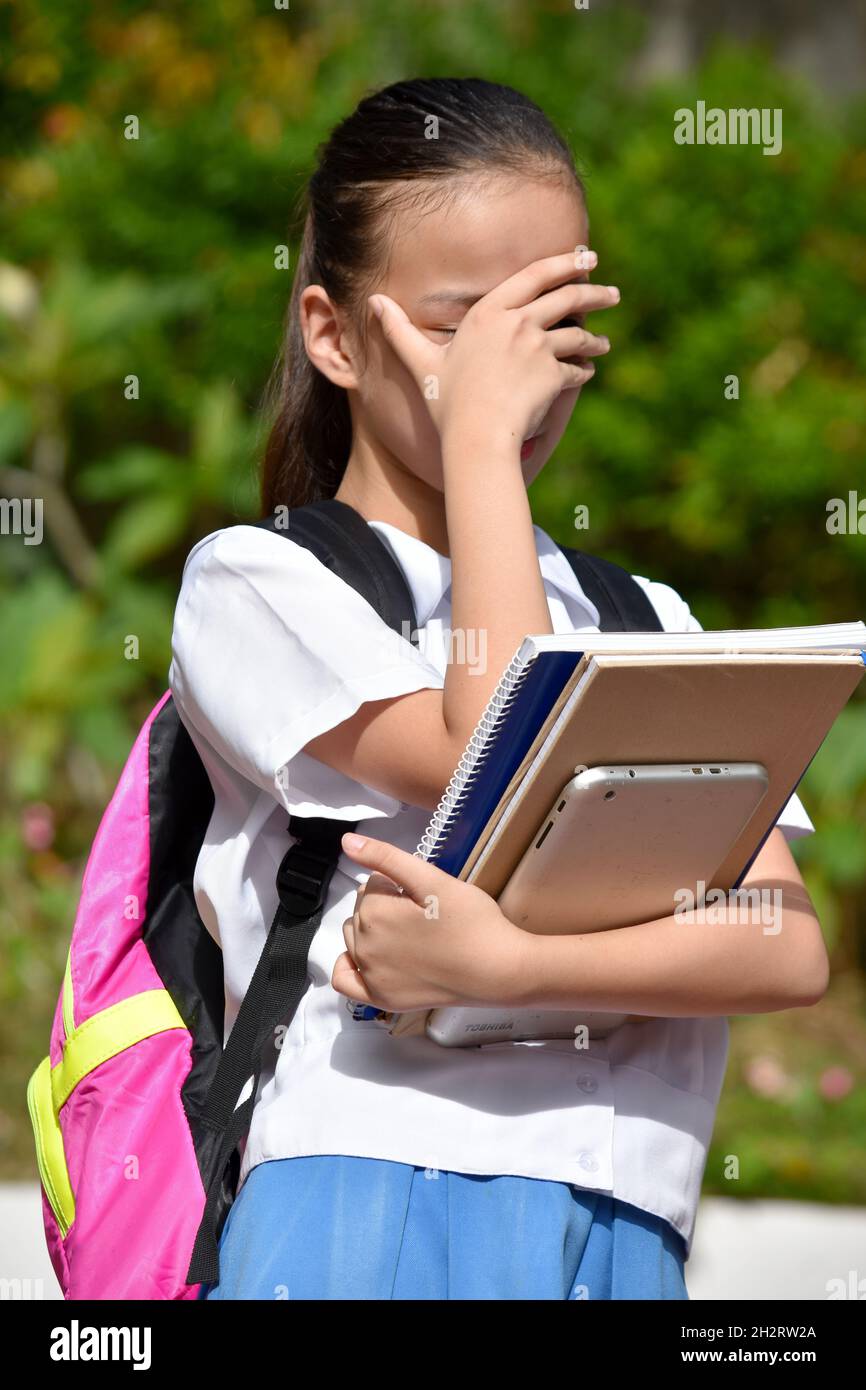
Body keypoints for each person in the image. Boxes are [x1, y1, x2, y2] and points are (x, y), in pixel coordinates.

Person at [169, 77, 827, 1300]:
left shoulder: (644, 620)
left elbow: (783, 945)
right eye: (466, 327)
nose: (518, 375)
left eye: (549, 323)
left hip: (621, 1212)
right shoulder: (261, 583)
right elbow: (501, 743)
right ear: (332, 334)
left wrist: (509, 969)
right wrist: (479, 440)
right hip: (363, 1191)